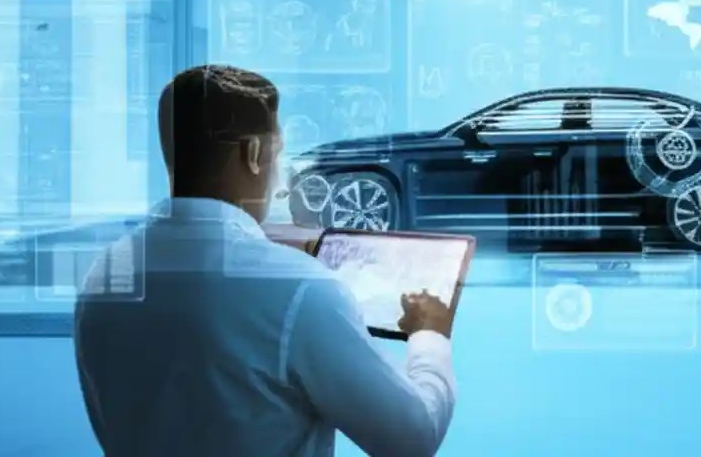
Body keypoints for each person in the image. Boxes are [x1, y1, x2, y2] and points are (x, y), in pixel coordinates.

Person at [74, 65, 457, 457]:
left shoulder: (104, 274)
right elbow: (413, 438)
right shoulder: (300, 289)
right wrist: (429, 335)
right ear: (254, 155)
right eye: (278, 152)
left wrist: (262, 250)